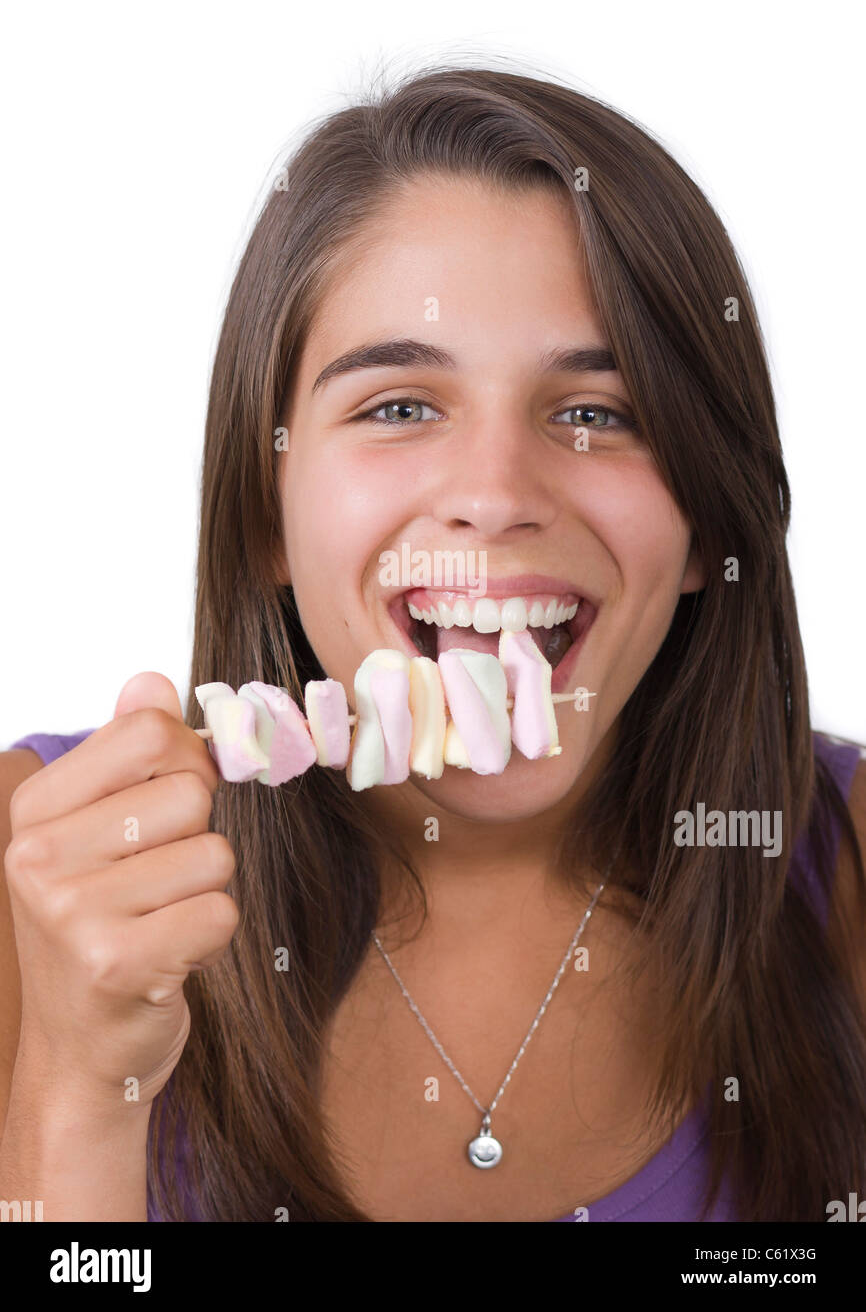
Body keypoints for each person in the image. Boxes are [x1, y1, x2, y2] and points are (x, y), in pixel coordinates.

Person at [2, 63, 865, 1223]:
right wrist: (77, 1090)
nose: (495, 495)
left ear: (705, 508)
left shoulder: (843, 867)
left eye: (595, 412)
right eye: (399, 405)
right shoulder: (40, 876)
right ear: (267, 508)